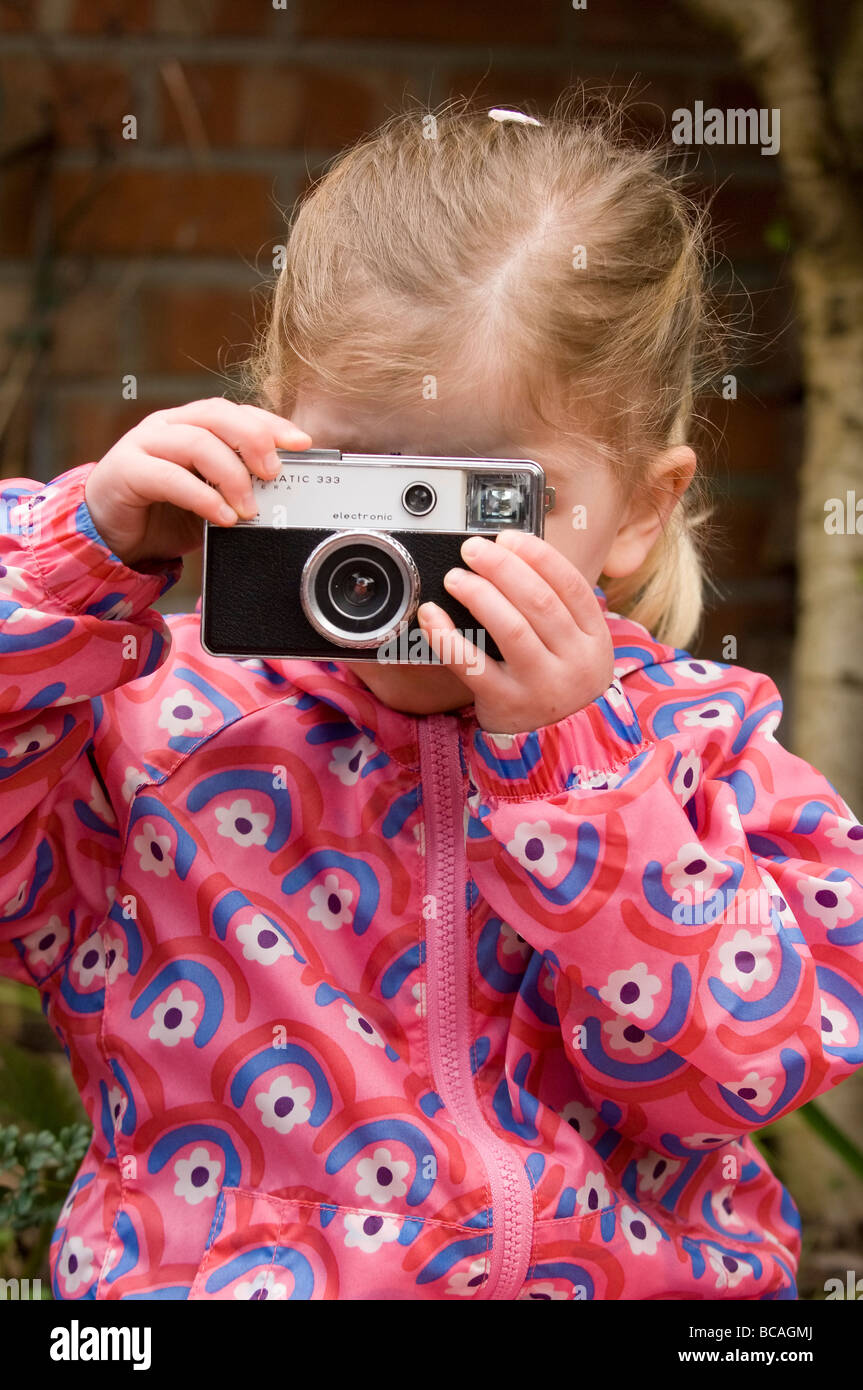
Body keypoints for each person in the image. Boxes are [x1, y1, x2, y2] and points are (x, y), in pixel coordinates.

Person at [1, 93, 861, 1302]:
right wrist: (72, 563)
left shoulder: (701, 749)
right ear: (268, 433)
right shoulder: (159, 727)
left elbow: (744, 1068)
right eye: (364, 484)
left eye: (487, 502)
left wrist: (576, 777)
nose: (412, 566)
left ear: (639, 508)